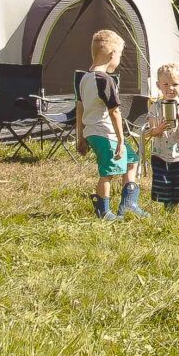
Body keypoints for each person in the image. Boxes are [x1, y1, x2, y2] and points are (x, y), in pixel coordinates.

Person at [79, 29, 141, 219]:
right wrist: (121, 140)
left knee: (132, 160)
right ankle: (103, 211)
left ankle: (129, 204)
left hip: (91, 131)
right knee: (108, 172)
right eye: (120, 55)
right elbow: (114, 112)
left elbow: (79, 108)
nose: (119, 60)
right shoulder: (105, 80)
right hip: (106, 133)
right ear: (112, 54)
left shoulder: (83, 78)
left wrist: (80, 136)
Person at [144, 63, 179, 209]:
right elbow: (152, 131)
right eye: (166, 84)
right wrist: (158, 129)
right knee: (164, 187)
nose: (170, 88)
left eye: (175, 84)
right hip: (160, 154)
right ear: (158, 85)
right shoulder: (155, 106)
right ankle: (168, 210)